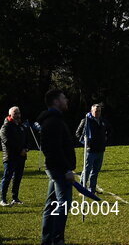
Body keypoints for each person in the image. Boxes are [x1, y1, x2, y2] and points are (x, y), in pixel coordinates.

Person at [38, 89, 76, 245]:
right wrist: (66, 169)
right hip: (59, 170)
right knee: (64, 203)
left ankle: (47, 239)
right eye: (63, 97)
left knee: (52, 204)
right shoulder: (53, 121)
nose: (66, 99)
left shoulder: (54, 119)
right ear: (55, 101)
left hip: (55, 168)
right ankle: (56, 238)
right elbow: (54, 149)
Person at [76, 103, 111, 193]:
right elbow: (78, 133)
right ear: (91, 111)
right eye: (96, 111)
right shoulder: (86, 121)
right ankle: (82, 188)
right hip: (90, 150)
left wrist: (105, 138)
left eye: (99, 111)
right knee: (87, 170)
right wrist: (86, 143)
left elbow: (109, 130)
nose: (98, 112)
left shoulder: (103, 121)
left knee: (95, 171)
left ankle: (92, 189)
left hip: (100, 150)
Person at [1, 106, 29, 206]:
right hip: (10, 157)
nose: (18, 115)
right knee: (7, 177)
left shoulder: (21, 126)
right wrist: (19, 151)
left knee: (17, 178)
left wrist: (26, 149)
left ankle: (15, 198)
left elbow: (26, 140)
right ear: (10, 115)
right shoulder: (5, 127)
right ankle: (3, 199)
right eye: (15, 113)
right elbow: (7, 142)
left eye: (19, 113)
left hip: (21, 157)